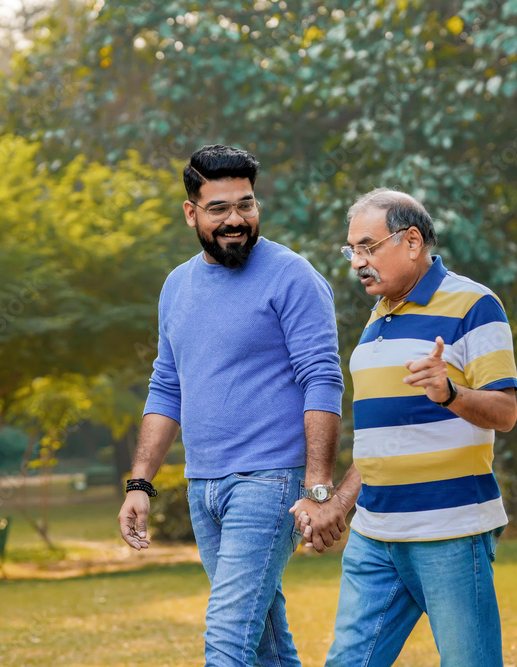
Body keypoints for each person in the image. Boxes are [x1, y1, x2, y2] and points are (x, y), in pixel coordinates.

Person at [117, 144, 346, 666]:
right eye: (219, 208)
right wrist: (139, 484)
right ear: (191, 212)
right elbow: (166, 387)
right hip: (204, 483)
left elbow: (322, 379)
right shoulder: (176, 286)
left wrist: (317, 487)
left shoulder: (292, 275)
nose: (236, 220)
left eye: (245, 205)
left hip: (270, 481)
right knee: (263, 638)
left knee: (227, 634)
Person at [294, 188, 517, 666]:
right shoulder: (376, 320)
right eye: (352, 250)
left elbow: (505, 412)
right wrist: (338, 502)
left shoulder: (475, 304)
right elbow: (379, 445)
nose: (357, 262)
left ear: (412, 240)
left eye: (368, 247)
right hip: (376, 537)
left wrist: (451, 393)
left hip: (450, 531)